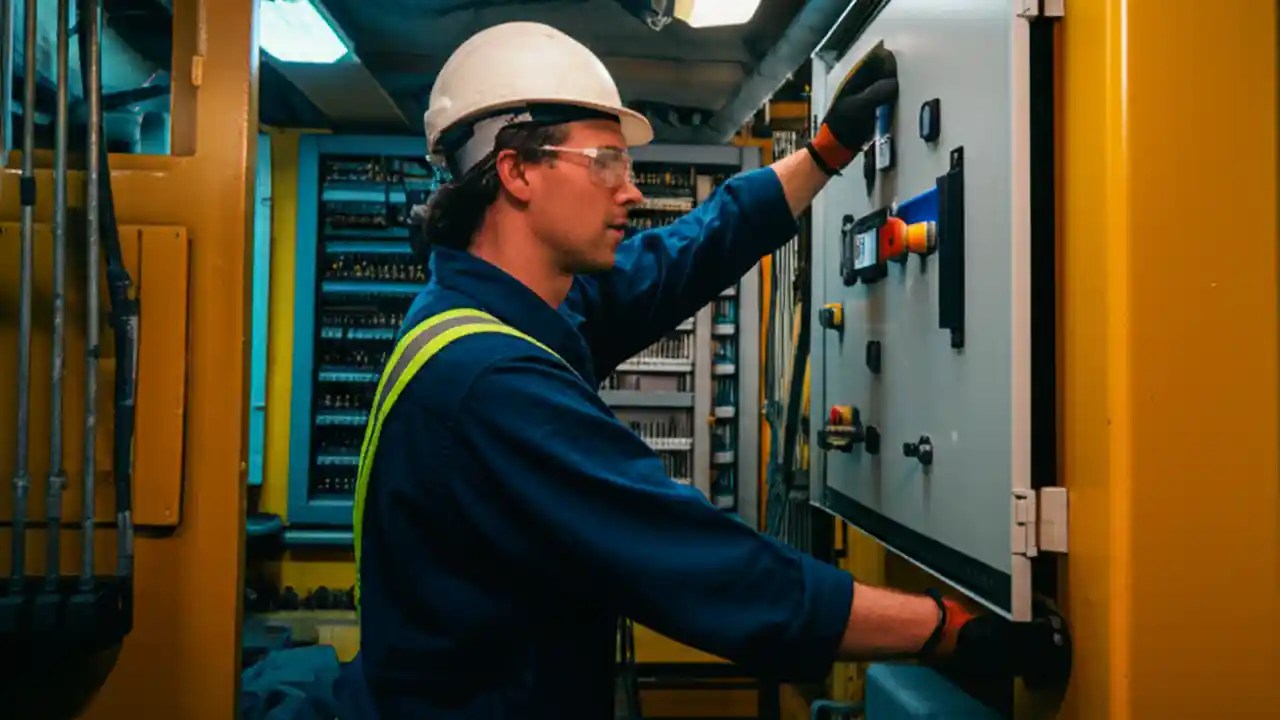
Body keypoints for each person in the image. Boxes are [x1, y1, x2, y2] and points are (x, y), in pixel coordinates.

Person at [334, 21, 1064, 719]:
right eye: (605, 162)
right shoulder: (492, 381)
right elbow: (703, 568)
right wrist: (946, 628)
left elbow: (676, 259)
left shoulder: (483, 310)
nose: (633, 191)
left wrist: (825, 153)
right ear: (518, 170)